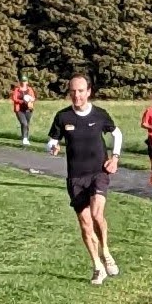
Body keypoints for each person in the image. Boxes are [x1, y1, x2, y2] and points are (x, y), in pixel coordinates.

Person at [50, 76, 122, 284]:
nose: (77, 95)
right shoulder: (62, 117)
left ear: (89, 91)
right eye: (73, 91)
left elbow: (117, 134)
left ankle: (106, 251)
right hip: (76, 176)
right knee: (84, 223)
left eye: (81, 91)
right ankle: (97, 266)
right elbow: (53, 140)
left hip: (98, 172)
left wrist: (115, 158)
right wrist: (53, 147)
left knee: (97, 214)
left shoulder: (100, 115)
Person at [11, 78, 38, 146]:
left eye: (25, 81)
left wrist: (30, 100)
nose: (24, 82)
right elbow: (14, 98)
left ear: (27, 82)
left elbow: (33, 98)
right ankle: (24, 138)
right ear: (20, 82)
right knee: (24, 123)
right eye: (22, 81)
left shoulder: (30, 89)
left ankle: (25, 138)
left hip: (28, 109)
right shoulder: (17, 89)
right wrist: (22, 101)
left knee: (27, 124)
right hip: (19, 109)